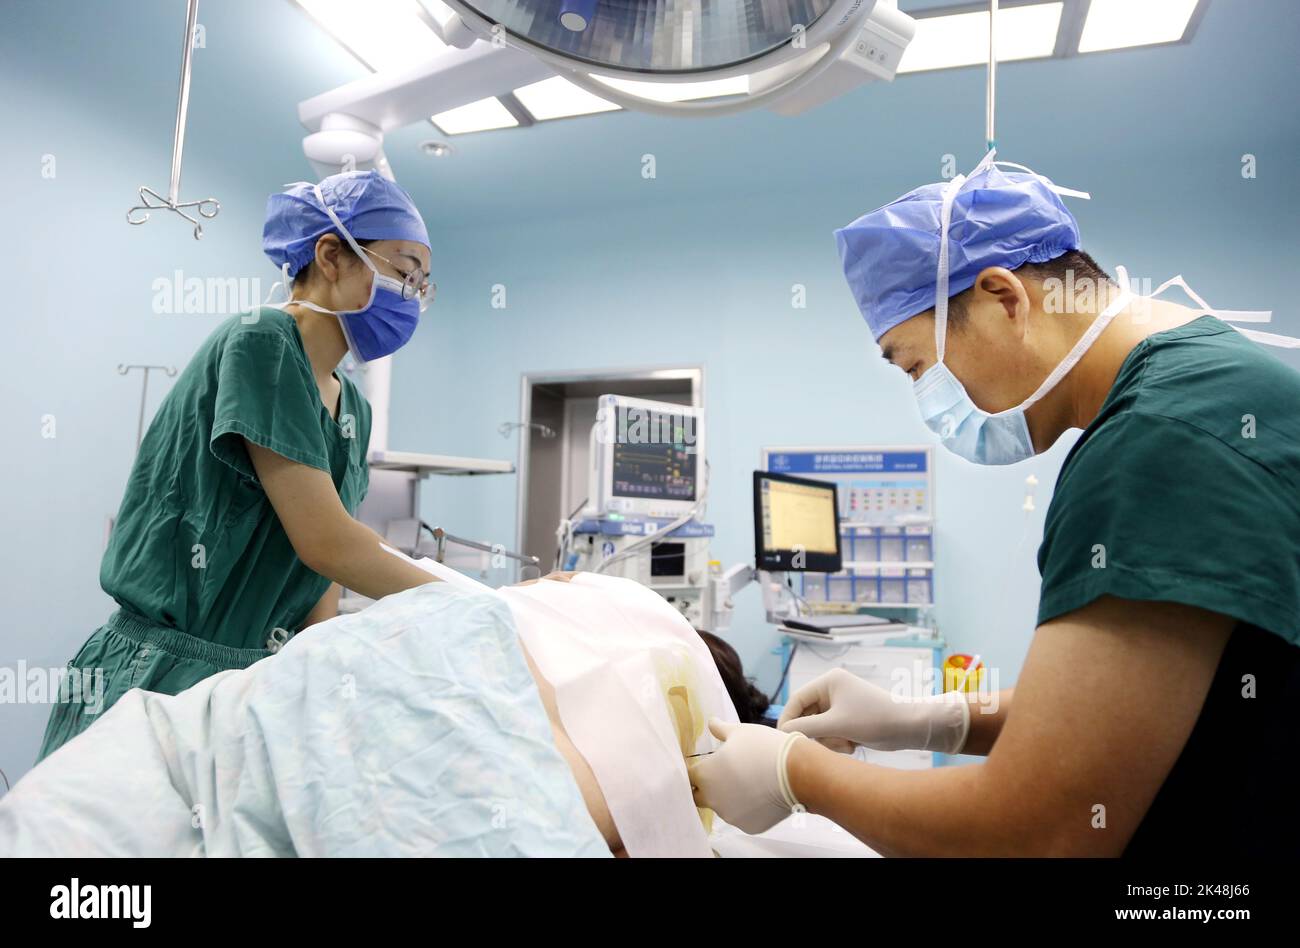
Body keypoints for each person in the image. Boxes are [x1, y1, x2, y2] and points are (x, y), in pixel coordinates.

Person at [690, 151, 1300, 856]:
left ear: (1004, 298)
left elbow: (1036, 836)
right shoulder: (1209, 383)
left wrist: (795, 775)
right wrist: (931, 720)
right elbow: (1129, 707)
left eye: (916, 366)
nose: (928, 401)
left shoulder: (1157, 440)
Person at [38, 170, 441, 761]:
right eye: (404, 271)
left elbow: (322, 578)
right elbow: (327, 543)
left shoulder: (353, 407)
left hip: (253, 687)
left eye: (422, 284)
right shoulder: (263, 340)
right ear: (331, 256)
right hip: (159, 681)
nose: (411, 294)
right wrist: (475, 602)